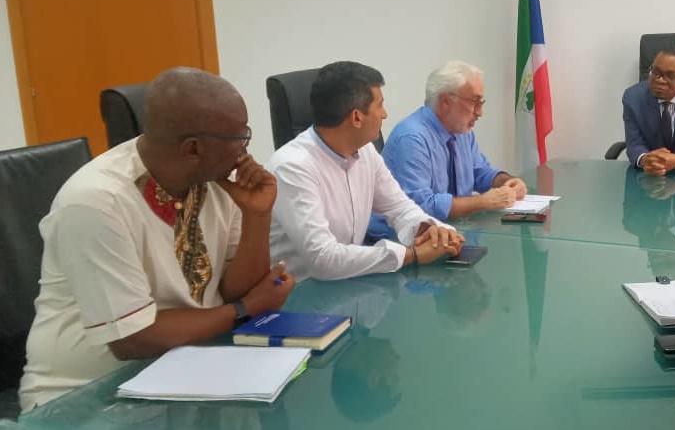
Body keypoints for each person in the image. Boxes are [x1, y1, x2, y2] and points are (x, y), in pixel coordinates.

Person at [19, 67, 295, 411]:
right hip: (86, 398)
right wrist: (246, 310)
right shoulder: (96, 201)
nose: (245, 151)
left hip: (182, 369)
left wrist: (258, 215)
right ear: (193, 148)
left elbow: (236, 288)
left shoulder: (217, 180)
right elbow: (133, 338)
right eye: (240, 137)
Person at [268, 61, 464, 281]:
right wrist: (412, 255)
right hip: (298, 297)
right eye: (380, 105)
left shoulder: (366, 152)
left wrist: (428, 229)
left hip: (350, 284)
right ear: (356, 117)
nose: (385, 114)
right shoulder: (292, 166)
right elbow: (323, 259)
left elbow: (399, 207)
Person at [378, 60, 527, 224]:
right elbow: (420, 207)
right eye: (474, 102)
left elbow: (480, 172)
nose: (480, 112)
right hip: (400, 241)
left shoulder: (462, 130)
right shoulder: (412, 138)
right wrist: (482, 201)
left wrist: (507, 181)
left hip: (451, 232)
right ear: (446, 102)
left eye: (481, 103)